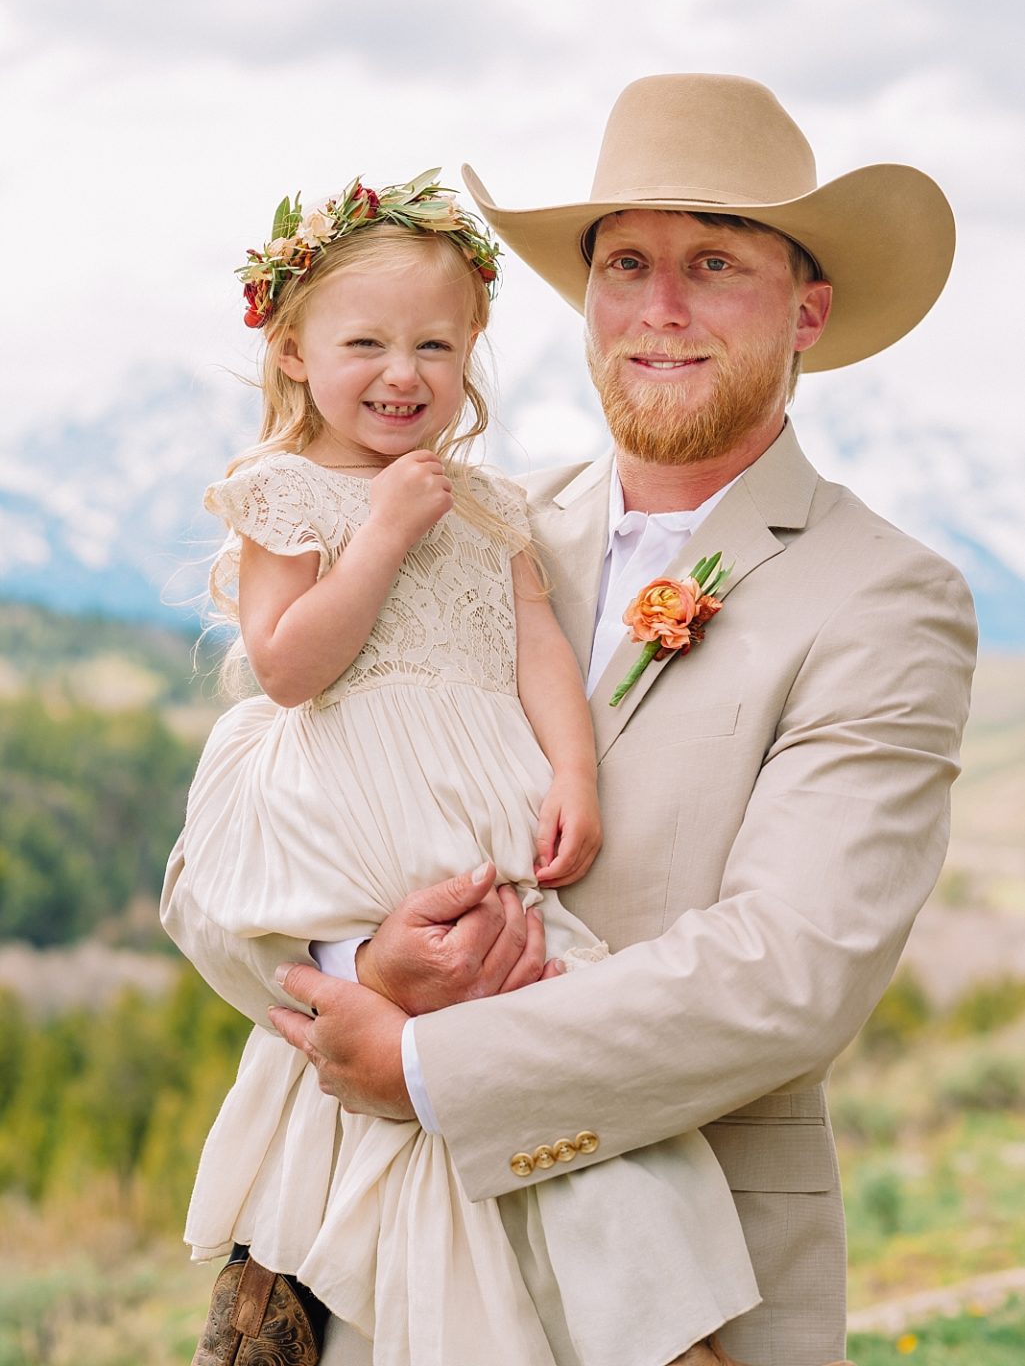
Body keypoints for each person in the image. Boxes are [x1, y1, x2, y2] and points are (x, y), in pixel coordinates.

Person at [164, 74, 975, 1366]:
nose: (659, 308)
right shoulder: (459, 523)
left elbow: (786, 975)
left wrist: (433, 1058)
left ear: (807, 310)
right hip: (376, 1282)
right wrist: (365, 975)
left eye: (713, 263)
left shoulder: (883, 598)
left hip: (682, 1297)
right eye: (627, 264)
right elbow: (220, 863)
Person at [163, 169, 770, 1366]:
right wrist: (382, 532)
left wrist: (574, 775)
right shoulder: (285, 497)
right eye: (366, 343)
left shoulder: (489, 505)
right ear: (290, 352)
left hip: (481, 823)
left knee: (545, 1055)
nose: (404, 374)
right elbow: (286, 666)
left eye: (435, 345)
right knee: (424, 1105)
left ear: (473, 351)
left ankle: (647, 1327)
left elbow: (534, 642)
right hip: (363, 817)